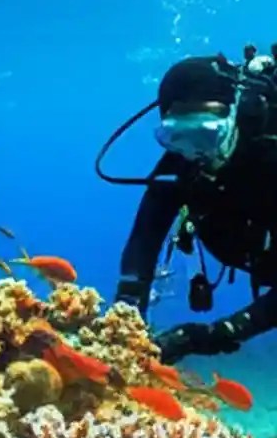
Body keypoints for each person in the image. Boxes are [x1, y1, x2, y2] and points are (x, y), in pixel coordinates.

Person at [110, 50, 277, 364]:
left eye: (206, 135)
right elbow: (145, 236)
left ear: (233, 117)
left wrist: (220, 333)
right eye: (178, 138)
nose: (195, 152)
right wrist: (126, 315)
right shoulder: (181, 162)